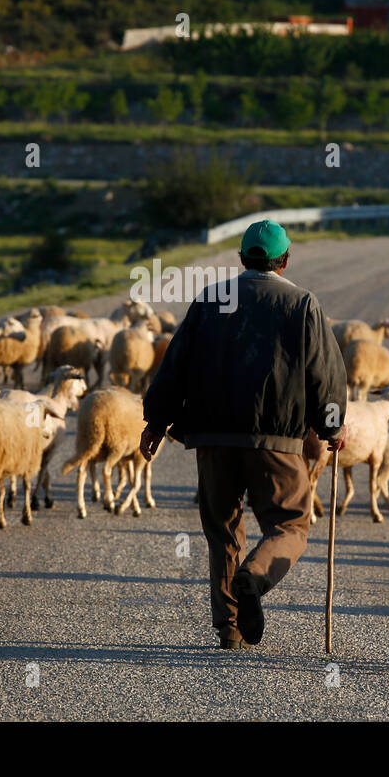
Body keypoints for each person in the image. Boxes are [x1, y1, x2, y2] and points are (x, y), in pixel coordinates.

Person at [140, 220, 347, 649]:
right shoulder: (303, 304)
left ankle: (230, 628)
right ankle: (255, 575)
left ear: (241, 258)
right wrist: (331, 425)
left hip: (213, 437)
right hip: (277, 440)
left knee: (223, 529)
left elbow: (173, 366)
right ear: (285, 260)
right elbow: (324, 374)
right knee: (291, 522)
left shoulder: (210, 300)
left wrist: (156, 422)